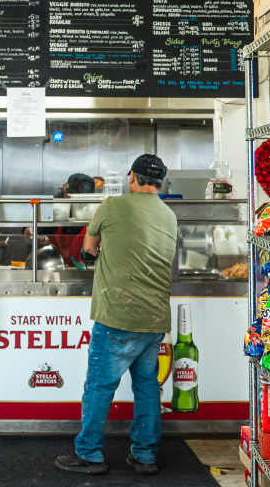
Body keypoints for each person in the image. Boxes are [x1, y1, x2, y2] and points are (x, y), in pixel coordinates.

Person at [55, 154, 176, 477]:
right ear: (160, 182)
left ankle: (90, 454)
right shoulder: (169, 216)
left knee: (99, 386)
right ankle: (145, 456)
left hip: (117, 316)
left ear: (133, 178)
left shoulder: (111, 206)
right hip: (154, 318)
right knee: (148, 387)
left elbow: (89, 248)